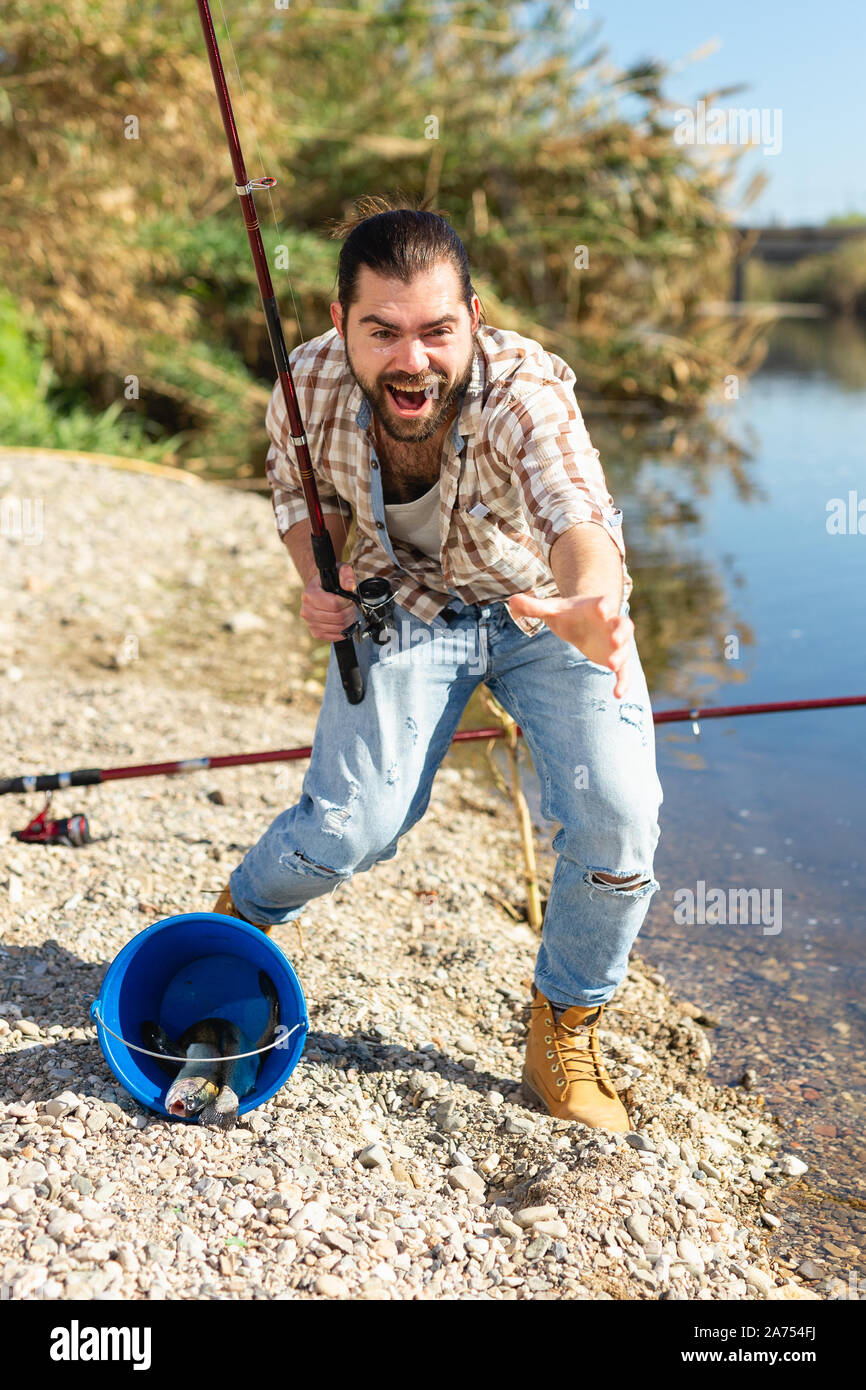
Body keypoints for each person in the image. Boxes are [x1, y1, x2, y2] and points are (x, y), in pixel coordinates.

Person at [214, 198, 663, 1132]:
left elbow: (579, 514)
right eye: (382, 332)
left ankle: (565, 1021)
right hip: (401, 608)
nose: (412, 360)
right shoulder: (307, 382)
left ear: (475, 319)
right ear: (341, 326)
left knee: (617, 819)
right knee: (352, 826)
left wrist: (590, 602)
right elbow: (299, 491)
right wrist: (316, 576)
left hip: (546, 614)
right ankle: (231, 929)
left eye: (436, 331)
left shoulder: (525, 391)